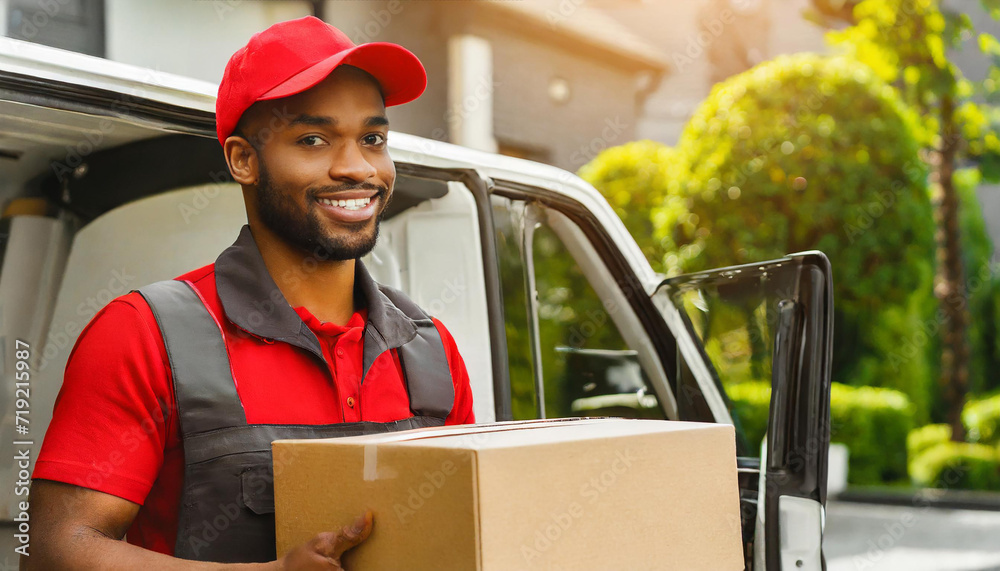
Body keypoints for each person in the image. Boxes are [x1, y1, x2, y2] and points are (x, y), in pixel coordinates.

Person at [25, 16, 475, 571]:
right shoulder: (142, 334)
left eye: (373, 139)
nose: (356, 167)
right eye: (313, 139)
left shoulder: (433, 350)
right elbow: (54, 552)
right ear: (243, 160)